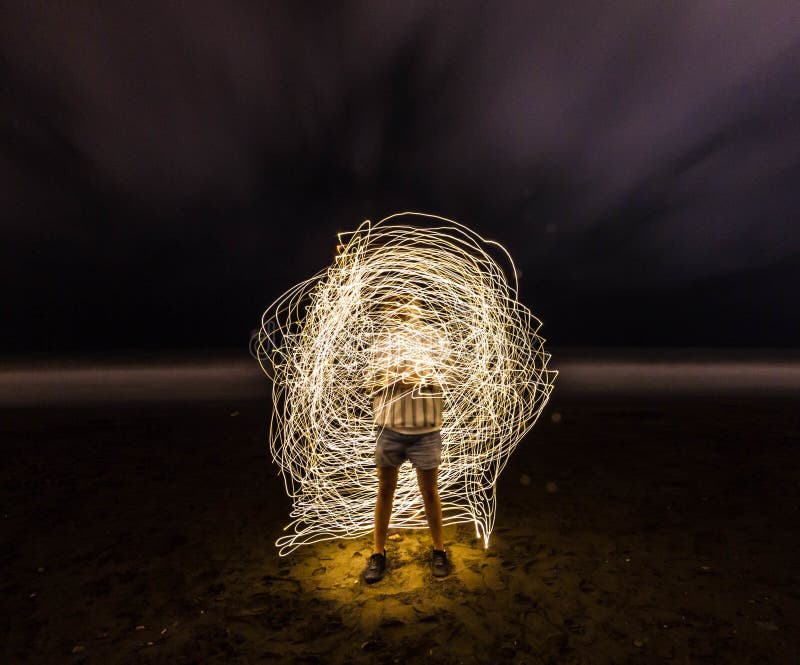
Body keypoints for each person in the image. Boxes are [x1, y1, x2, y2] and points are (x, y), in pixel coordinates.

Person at [363, 299, 451, 583]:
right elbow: (369, 383)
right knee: (385, 491)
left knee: (430, 492)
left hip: (425, 429)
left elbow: (446, 378)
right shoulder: (382, 342)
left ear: (417, 306)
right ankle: (378, 553)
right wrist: (390, 377)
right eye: (394, 304)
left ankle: (439, 550)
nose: (399, 309)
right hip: (389, 427)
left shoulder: (435, 339)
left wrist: (418, 377)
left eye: (405, 303)